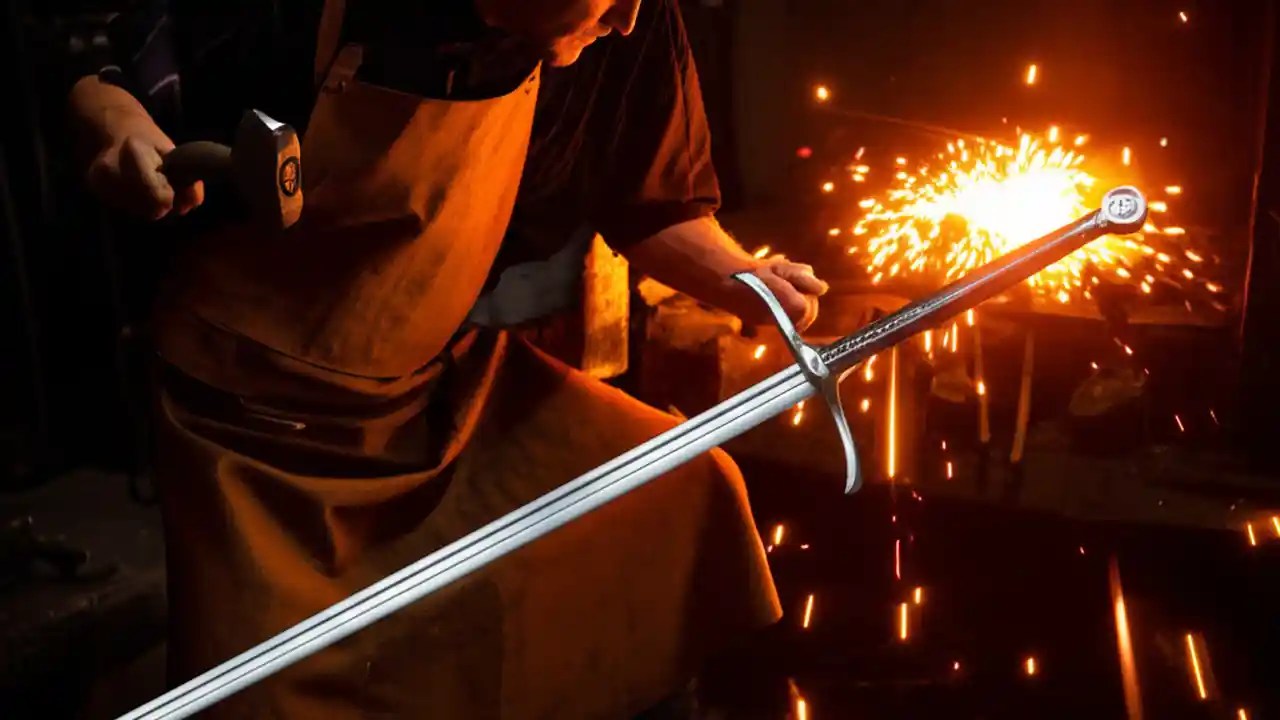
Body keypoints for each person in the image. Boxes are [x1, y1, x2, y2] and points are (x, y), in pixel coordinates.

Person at [68, 0, 829, 717]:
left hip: (436, 397)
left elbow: (651, 203)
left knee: (680, 490)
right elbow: (107, 63)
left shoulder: (617, 21)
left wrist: (747, 282)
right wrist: (116, 120)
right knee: (275, 694)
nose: (629, 16)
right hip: (250, 423)